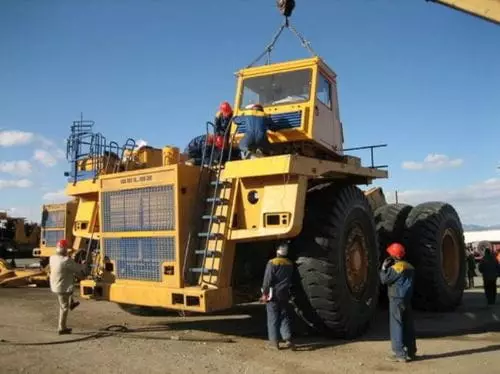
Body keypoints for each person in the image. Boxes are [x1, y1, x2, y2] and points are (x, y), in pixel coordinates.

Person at [380, 242, 417, 362]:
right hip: (406, 299)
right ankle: (411, 351)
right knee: (408, 325)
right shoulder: (410, 266)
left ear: (394, 256)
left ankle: (399, 353)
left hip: (396, 299)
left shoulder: (397, 268)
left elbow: (384, 279)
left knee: (397, 325)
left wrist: (384, 268)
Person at [261, 242, 295, 350]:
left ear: (277, 250)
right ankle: (288, 338)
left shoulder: (272, 263)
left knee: (273, 318)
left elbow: (267, 281)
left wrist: (264, 294)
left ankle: (274, 342)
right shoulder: (289, 263)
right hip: (285, 294)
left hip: (273, 294)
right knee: (284, 316)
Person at [49, 239, 86, 335]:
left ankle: (71, 302)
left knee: (70, 285)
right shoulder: (66, 260)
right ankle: (61, 328)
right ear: (65, 249)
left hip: (56, 285)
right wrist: (84, 265)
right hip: (62, 287)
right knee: (64, 307)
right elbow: (77, 268)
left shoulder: (52, 258)